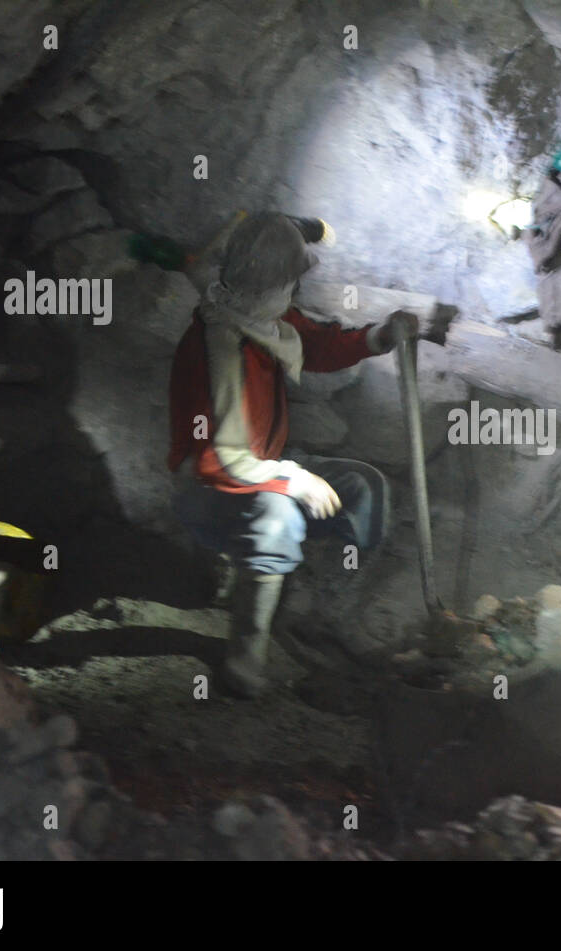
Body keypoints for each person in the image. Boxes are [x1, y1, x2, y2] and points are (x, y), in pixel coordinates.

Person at [167, 211, 417, 697]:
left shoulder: (258, 316)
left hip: (256, 472)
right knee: (278, 515)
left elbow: (316, 343)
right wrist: (294, 480)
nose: (294, 290)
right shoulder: (220, 347)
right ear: (272, 282)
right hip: (208, 489)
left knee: (363, 487)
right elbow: (221, 461)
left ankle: (321, 610)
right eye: (290, 280)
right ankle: (246, 656)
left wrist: (379, 336)